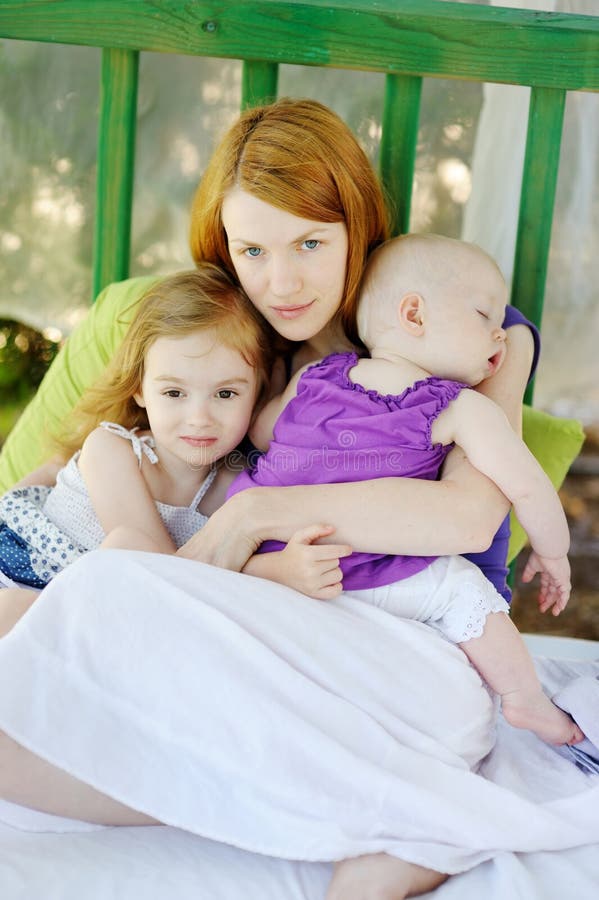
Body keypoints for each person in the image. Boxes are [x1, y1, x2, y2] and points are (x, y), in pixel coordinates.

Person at [0, 98, 569, 900]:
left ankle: (346, 808)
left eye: (309, 242)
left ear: (355, 227)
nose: (282, 280)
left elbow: (468, 515)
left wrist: (255, 515)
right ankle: (265, 802)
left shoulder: (469, 325)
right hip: (288, 621)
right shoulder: (243, 347)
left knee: (110, 597)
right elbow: (113, 443)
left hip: (436, 635)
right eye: (252, 250)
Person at [228, 232, 583, 750]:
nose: (501, 335)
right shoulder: (457, 407)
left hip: (273, 569)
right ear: (414, 315)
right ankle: (526, 699)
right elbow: (526, 485)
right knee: (464, 592)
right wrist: (555, 553)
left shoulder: (313, 377)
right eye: (486, 316)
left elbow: (259, 435)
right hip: (375, 574)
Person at [0, 265, 350, 603]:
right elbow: (155, 565)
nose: (199, 419)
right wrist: (270, 570)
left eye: (226, 394)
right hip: (22, 570)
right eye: (174, 393)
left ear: (257, 395)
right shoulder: (111, 450)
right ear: (139, 388)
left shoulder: (235, 485)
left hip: (97, 603)